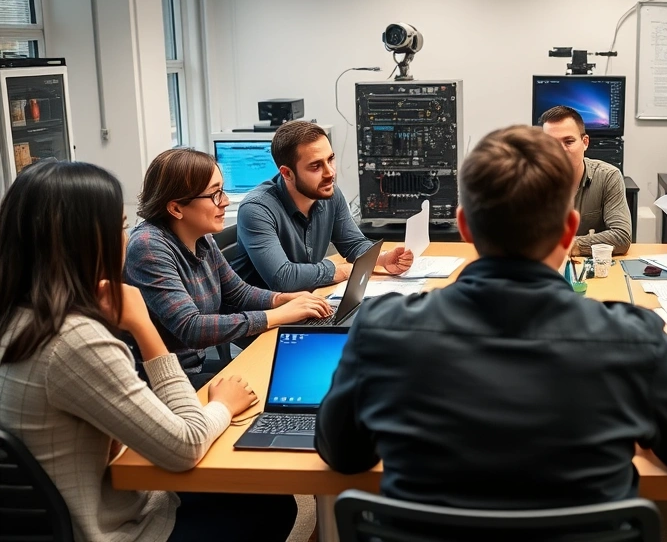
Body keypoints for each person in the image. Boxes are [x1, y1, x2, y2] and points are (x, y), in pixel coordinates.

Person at [315, 125, 667, 509]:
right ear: (570, 230)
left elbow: (343, 455)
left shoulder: (382, 328)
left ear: (464, 227)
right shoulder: (635, 340)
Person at [0, 160, 297, 542]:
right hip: (114, 529)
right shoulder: (76, 340)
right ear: (86, 241)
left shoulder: (20, 317)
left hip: (90, 507)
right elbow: (185, 445)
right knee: (273, 505)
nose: (126, 239)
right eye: (120, 228)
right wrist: (144, 328)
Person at [125, 149, 333, 389]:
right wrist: (279, 315)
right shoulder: (148, 246)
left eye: (222, 191)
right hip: (165, 383)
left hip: (193, 369)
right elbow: (191, 328)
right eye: (215, 194)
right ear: (176, 209)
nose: (225, 201)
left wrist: (282, 299)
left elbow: (238, 293)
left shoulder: (202, 237)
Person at [230, 120, 414, 291]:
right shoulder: (256, 209)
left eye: (330, 159)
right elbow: (283, 278)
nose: (330, 173)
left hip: (307, 300)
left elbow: (353, 244)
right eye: (316, 166)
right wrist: (341, 271)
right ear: (287, 173)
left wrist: (382, 259)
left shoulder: (330, 194)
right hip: (267, 311)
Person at [540, 106, 632, 255]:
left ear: (585, 142)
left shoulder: (608, 176)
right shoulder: (531, 180)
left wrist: (569, 245)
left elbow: (621, 237)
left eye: (568, 142)